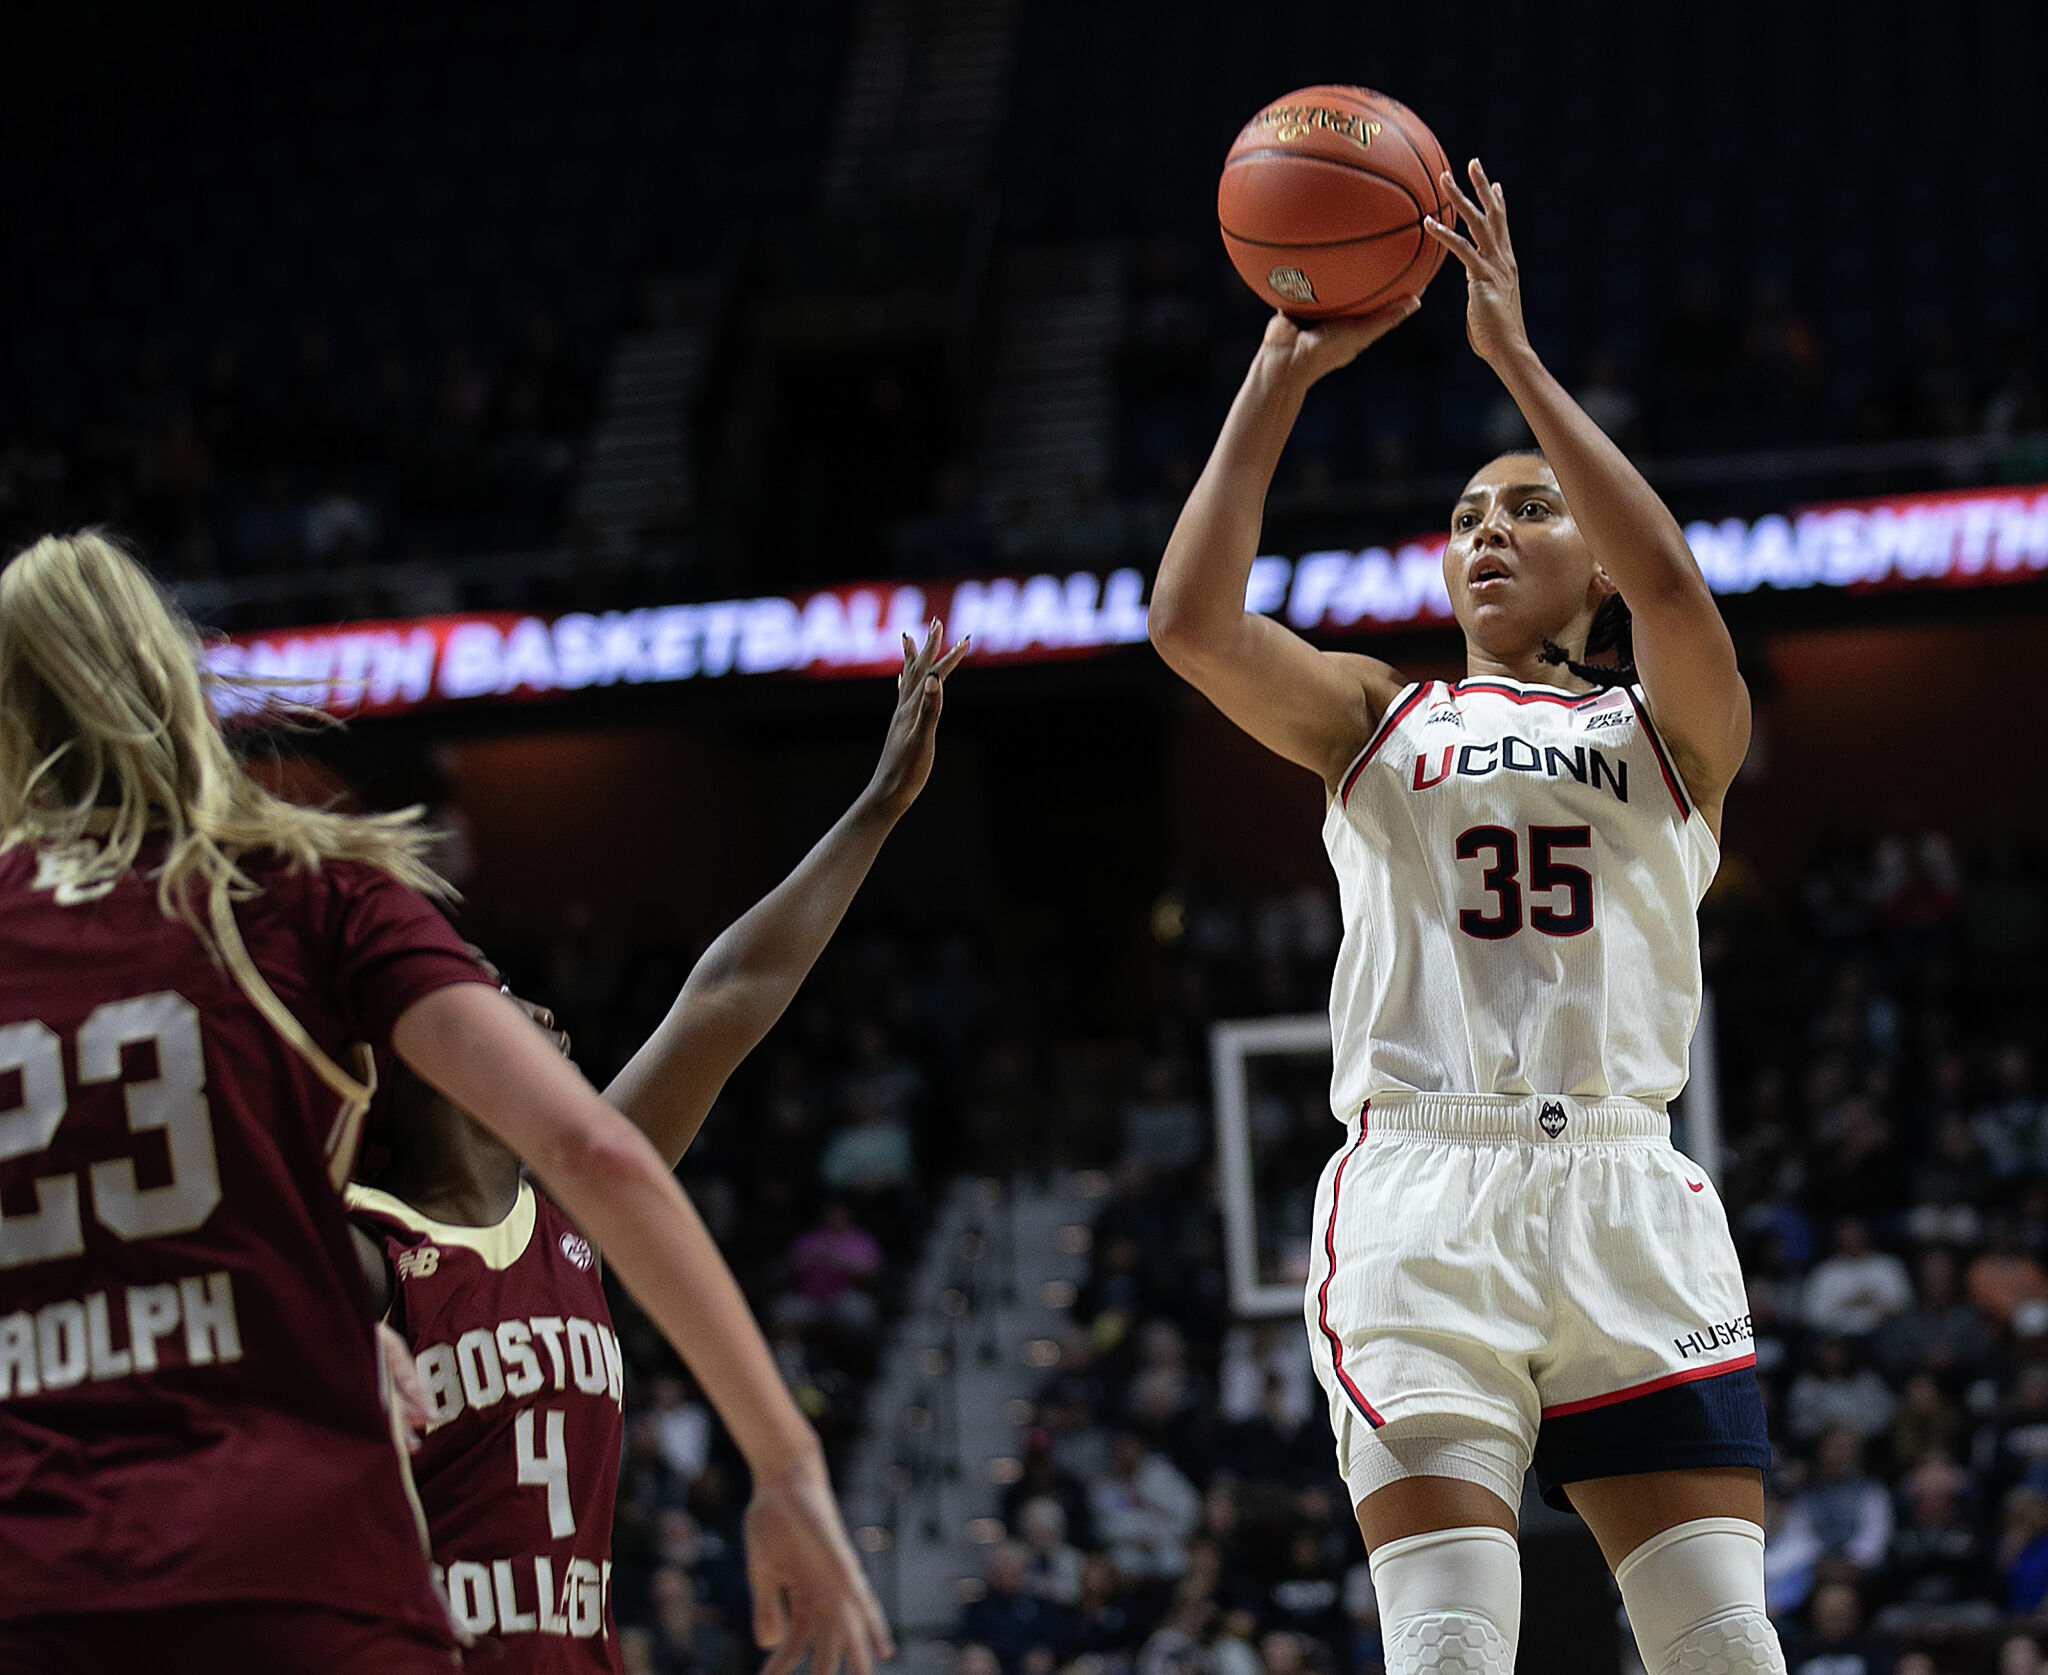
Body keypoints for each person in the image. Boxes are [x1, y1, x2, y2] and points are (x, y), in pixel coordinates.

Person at [0, 532, 888, 1675]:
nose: (516, 1008)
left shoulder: (532, 1221)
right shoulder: (299, 897)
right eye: (487, 995)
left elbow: (712, 1014)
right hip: (295, 1585)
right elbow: (599, 1142)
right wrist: (784, 1460)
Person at [1149, 160, 1778, 1673]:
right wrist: (1275, 374)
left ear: (1593, 569)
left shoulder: (1670, 733)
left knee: (1725, 1650)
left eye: (1530, 509)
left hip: (1627, 1188)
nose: (1486, 530)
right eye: (1465, 514)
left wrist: (1513, 359)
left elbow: (1680, 588)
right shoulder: (1381, 711)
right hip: (1428, 1191)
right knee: (1444, 1644)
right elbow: (1189, 622)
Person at [348, 625, 965, 1670]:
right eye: (507, 993)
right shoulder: (367, 1248)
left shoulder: (572, 1216)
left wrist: (876, 809)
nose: (549, 1018)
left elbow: (726, 998)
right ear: (434, 1045)